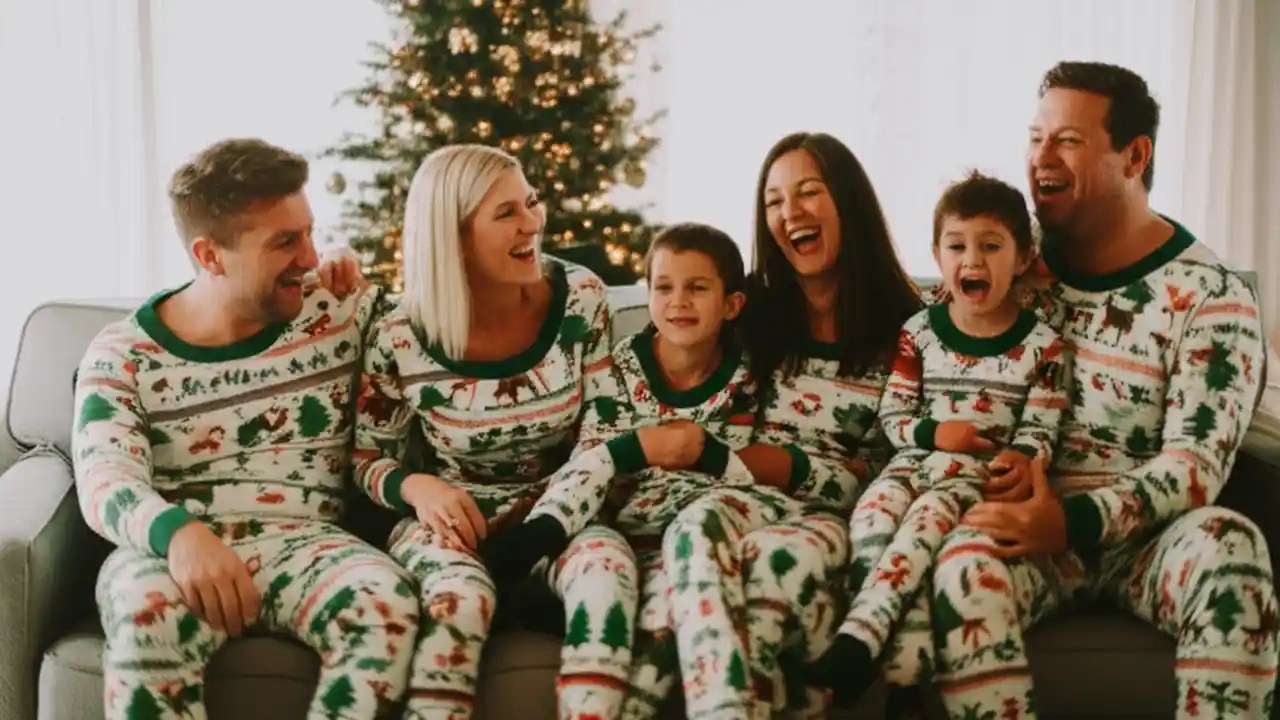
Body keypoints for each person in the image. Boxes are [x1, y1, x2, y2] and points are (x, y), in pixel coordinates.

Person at [926, 61, 1275, 718]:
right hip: (1022, 531)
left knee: (1233, 548)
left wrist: (1072, 520)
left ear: (1134, 155)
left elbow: (1195, 467)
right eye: (1035, 138)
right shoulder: (999, 267)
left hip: (1153, 540)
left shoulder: (1211, 296)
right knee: (962, 570)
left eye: (1067, 140)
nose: (1040, 158)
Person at [73, 138, 420, 719]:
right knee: (146, 617)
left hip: (309, 543)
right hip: (172, 552)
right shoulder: (121, 354)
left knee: (385, 605)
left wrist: (374, 282)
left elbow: (445, 334)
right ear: (210, 256)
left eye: (309, 233)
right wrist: (180, 536)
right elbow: (104, 478)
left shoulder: (338, 308)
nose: (310, 258)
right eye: (285, 242)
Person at [622, 132, 923, 719]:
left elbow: (890, 480)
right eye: (775, 201)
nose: (791, 213)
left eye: (809, 192)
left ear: (849, 204)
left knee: (765, 595)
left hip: (833, 524)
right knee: (696, 525)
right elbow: (668, 350)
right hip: (736, 498)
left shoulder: (912, 332)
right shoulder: (749, 312)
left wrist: (784, 466)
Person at [353, 144, 636, 720]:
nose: (533, 222)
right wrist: (417, 488)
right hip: (454, 521)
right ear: (453, 235)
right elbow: (366, 458)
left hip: (563, 512)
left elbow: (604, 435)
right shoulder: (399, 336)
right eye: (506, 213)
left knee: (608, 576)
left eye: (531, 202)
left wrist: (547, 522)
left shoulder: (581, 296)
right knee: (460, 603)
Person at [806, 171, 1069, 707]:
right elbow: (894, 415)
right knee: (874, 519)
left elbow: (1041, 429)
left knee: (924, 525)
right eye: (957, 246)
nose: (971, 260)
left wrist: (1020, 457)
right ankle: (906, 675)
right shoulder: (919, 332)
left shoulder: (1044, 347)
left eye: (990, 246)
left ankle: (860, 646)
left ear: (1022, 258)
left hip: (974, 478)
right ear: (937, 254)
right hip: (910, 465)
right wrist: (935, 432)